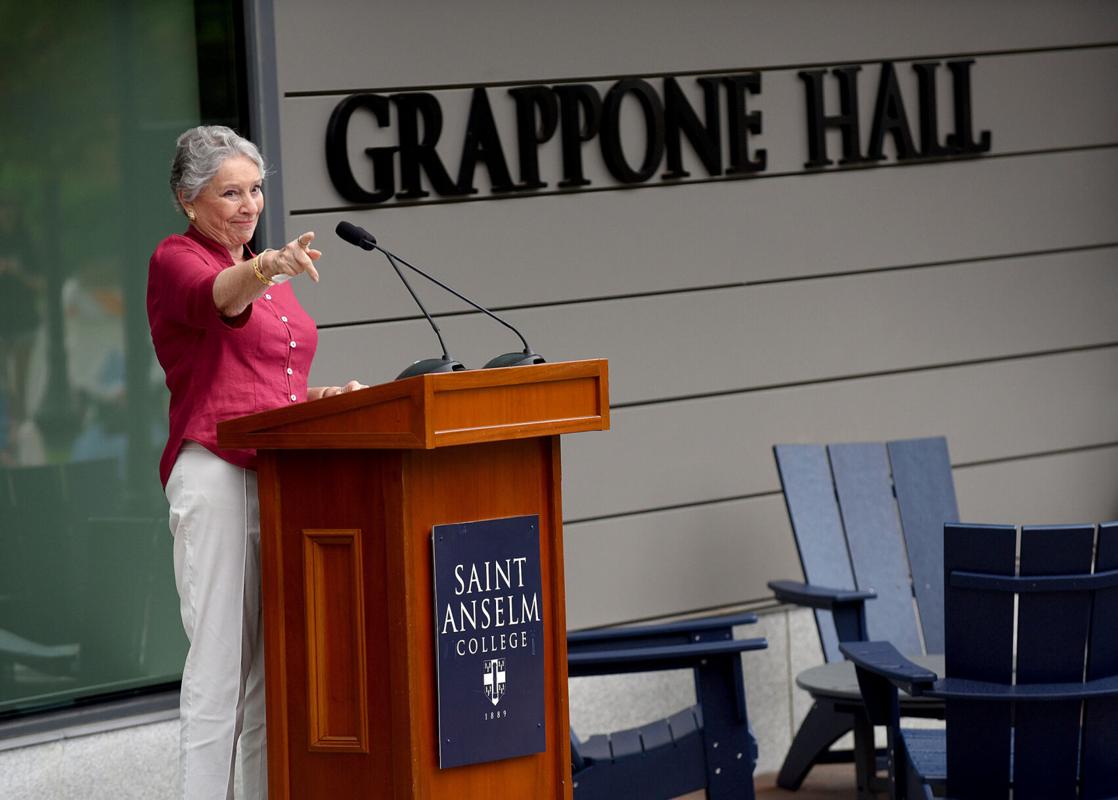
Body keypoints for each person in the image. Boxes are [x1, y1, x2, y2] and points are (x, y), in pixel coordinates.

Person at [147, 125, 365, 800]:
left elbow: (270, 379)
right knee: (219, 674)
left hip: (279, 476)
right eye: (230, 192)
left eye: (257, 189)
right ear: (189, 201)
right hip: (215, 472)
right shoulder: (179, 258)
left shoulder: (269, 272)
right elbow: (221, 301)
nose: (249, 205)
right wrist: (266, 266)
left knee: (275, 681)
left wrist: (321, 399)